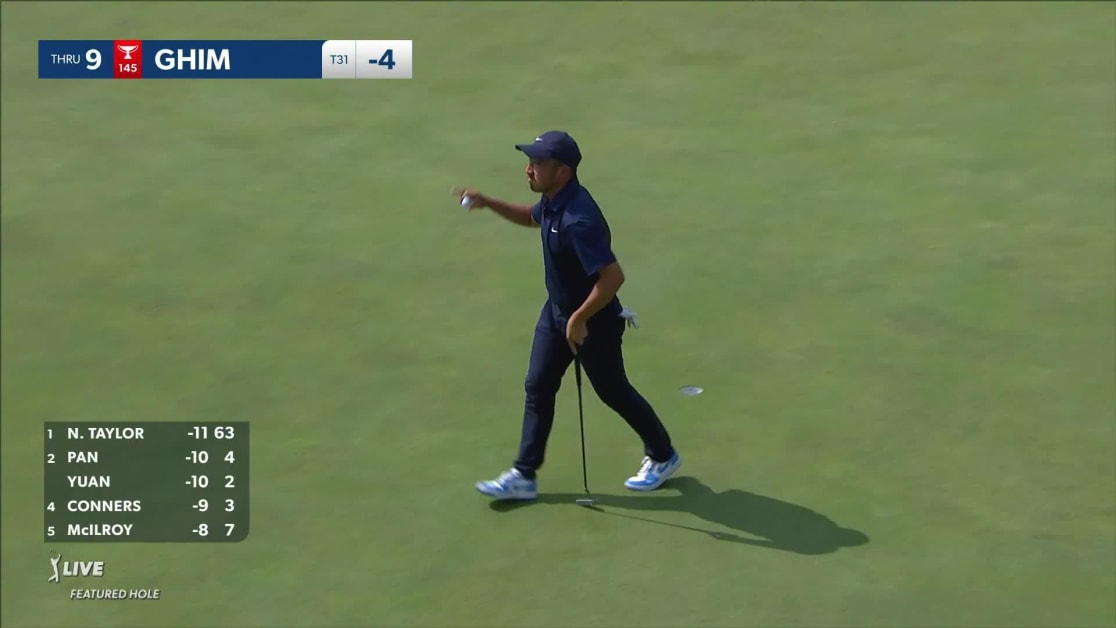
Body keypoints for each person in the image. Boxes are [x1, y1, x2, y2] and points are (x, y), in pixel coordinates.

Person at [454, 130, 681, 501]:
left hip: (594, 321)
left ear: (563, 172)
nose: (529, 169)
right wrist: (488, 202)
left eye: (537, 164)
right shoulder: (552, 201)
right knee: (538, 385)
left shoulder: (580, 218)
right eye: (529, 162)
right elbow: (532, 218)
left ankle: (663, 455)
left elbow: (612, 277)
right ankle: (524, 475)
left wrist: (579, 320)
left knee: (612, 391)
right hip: (557, 312)